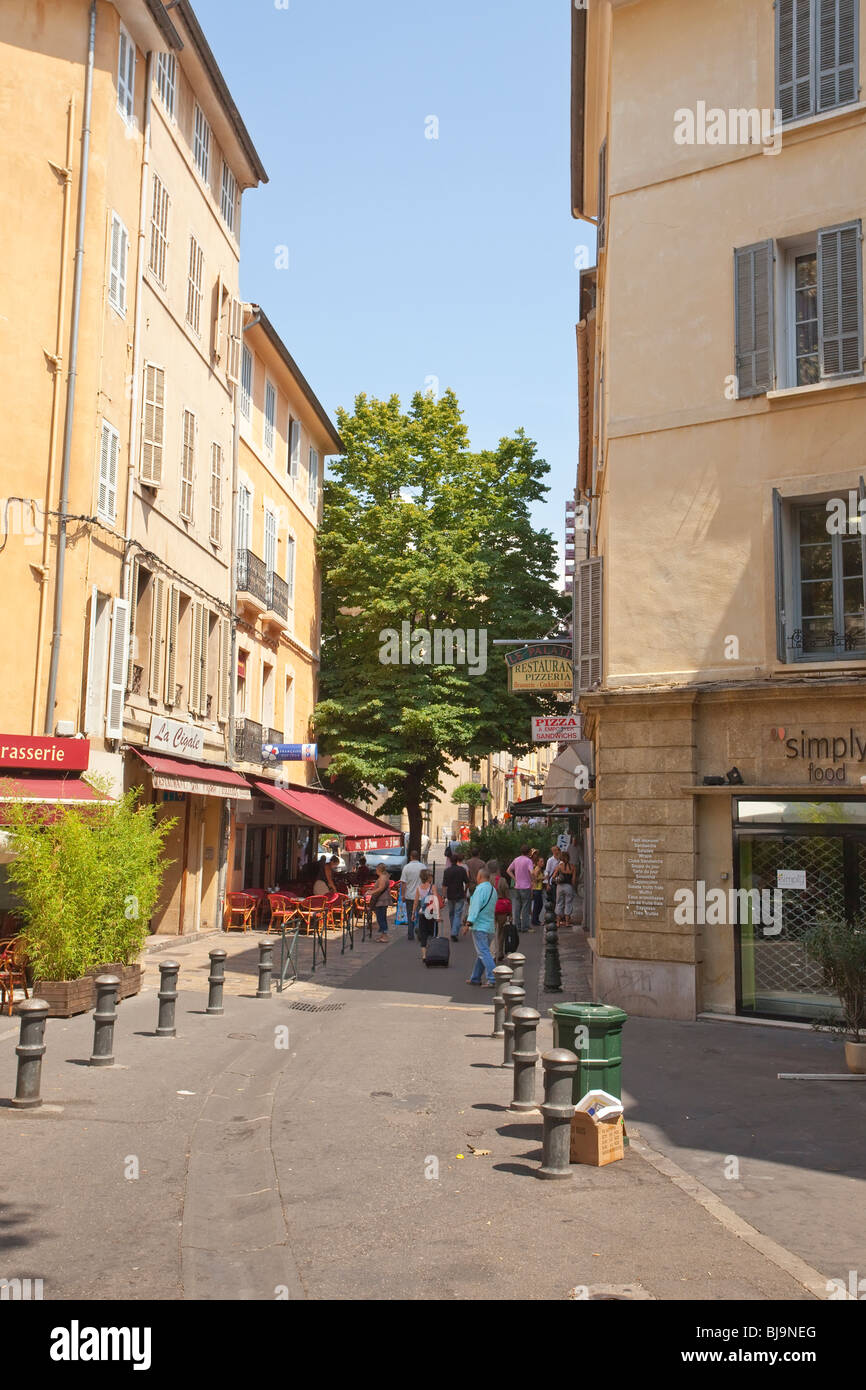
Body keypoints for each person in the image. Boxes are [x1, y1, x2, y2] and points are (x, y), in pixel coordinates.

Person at [462, 866, 496, 987]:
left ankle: (492, 978)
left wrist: (467, 924)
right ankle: (475, 978)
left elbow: (474, 909)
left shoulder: (479, 890)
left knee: (484, 952)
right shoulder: (493, 890)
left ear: (480, 877)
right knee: (483, 952)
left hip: (479, 926)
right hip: (490, 925)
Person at [487, 859, 513, 964]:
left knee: (491, 931)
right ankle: (500, 952)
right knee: (501, 931)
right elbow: (508, 896)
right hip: (502, 908)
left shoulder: (487, 880)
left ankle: (492, 953)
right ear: (498, 869)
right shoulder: (502, 880)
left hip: (490, 908)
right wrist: (510, 912)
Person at [507, 843, 534, 934]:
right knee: (526, 907)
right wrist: (532, 880)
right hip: (526, 886)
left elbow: (508, 870)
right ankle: (525, 926)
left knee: (517, 906)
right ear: (529, 852)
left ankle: (517, 925)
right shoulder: (528, 861)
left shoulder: (516, 859)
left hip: (517, 886)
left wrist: (515, 878)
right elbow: (532, 872)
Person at [442, 850, 469, 941]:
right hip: (460, 894)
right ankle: (454, 931)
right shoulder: (462, 870)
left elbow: (444, 885)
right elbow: (467, 882)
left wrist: (444, 895)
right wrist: (465, 890)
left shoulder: (447, 871)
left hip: (450, 894)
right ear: (457, 860)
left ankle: (453, 929)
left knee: (451, 913)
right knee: (458, 914)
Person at [414, 869, 440, 960]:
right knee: (433, 932)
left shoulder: (419, 888)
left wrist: (413, 913)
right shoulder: (433, 887)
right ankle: (431, 950)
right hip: (431, 913)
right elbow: (436, 901)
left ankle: (424, 955)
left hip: (422, 913)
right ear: (429, 877)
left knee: (423, 933)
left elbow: (416, 902)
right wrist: (438, 915)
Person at [399, 851, 425, 940]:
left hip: (409, 895)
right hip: (421, 895)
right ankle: (418, 926)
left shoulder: (406, 868)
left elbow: (403, 883)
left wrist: (402, 895)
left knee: (410, 914)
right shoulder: (423, 867)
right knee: (419, 914)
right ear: (418, 856)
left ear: (411, 857)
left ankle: (410, 934)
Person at [368, 863, 392, 942]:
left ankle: (384, 936)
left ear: (378, 870)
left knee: (381, 918)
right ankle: (382, 935)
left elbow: (381, 888)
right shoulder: (385, 876)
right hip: (383, 900)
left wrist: (372, 892)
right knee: (382, 918)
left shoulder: (382, 877)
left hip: (381, 901)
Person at [554, 852, 576, 928]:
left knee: (559, 903)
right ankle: (567, 922)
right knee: (568, 903)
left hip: (560, 886)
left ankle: (558, 923)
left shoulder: (559, 867)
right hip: (568, 887)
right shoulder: (573, 867)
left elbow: (553, 876)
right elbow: (573, 880)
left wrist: (556, 880)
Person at [530, 850, 545, 926]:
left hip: (538, 889)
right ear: (538, 862)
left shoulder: (538, 868)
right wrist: (543, 878)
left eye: (543, 861)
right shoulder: (537, 869)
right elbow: (534, 879)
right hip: (536, 889)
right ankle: (535, 920)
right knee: (538, 905)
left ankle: (535, 919)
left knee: (539, 905)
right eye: (541, 861)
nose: (543, 863)